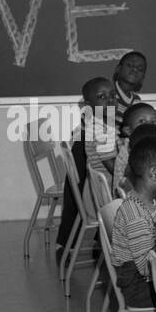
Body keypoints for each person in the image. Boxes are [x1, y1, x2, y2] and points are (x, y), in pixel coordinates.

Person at [111, 131, 156, 308]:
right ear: (154, 174)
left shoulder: (148, 201)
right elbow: (147, 270)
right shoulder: (137, 218)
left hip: (145, 278)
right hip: (139, 287)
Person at [55, 76, 115, 254]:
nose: (110, 100)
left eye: (112, 95)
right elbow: (114, 167)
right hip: (101, 200)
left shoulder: (99, 125)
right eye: (102, 97)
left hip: (94, 195)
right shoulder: (100, 131)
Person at [112, 103, 156, 194]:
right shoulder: (132, 151)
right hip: (130, 200)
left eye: (153, 122)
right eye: (142, 121)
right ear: (128, 131)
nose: (149, 126)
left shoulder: (141, 146)